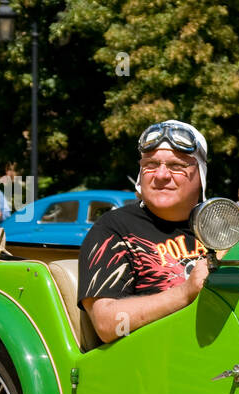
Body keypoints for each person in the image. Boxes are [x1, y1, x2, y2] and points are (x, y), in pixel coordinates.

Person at [80, 120, 215, 344]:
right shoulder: (113, 229)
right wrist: (185, 292)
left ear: (200, 174)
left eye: (176, 166)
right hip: (152, 364)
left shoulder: (219, 226)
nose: (161, 175)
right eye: (151, 164)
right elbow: (107, 324)